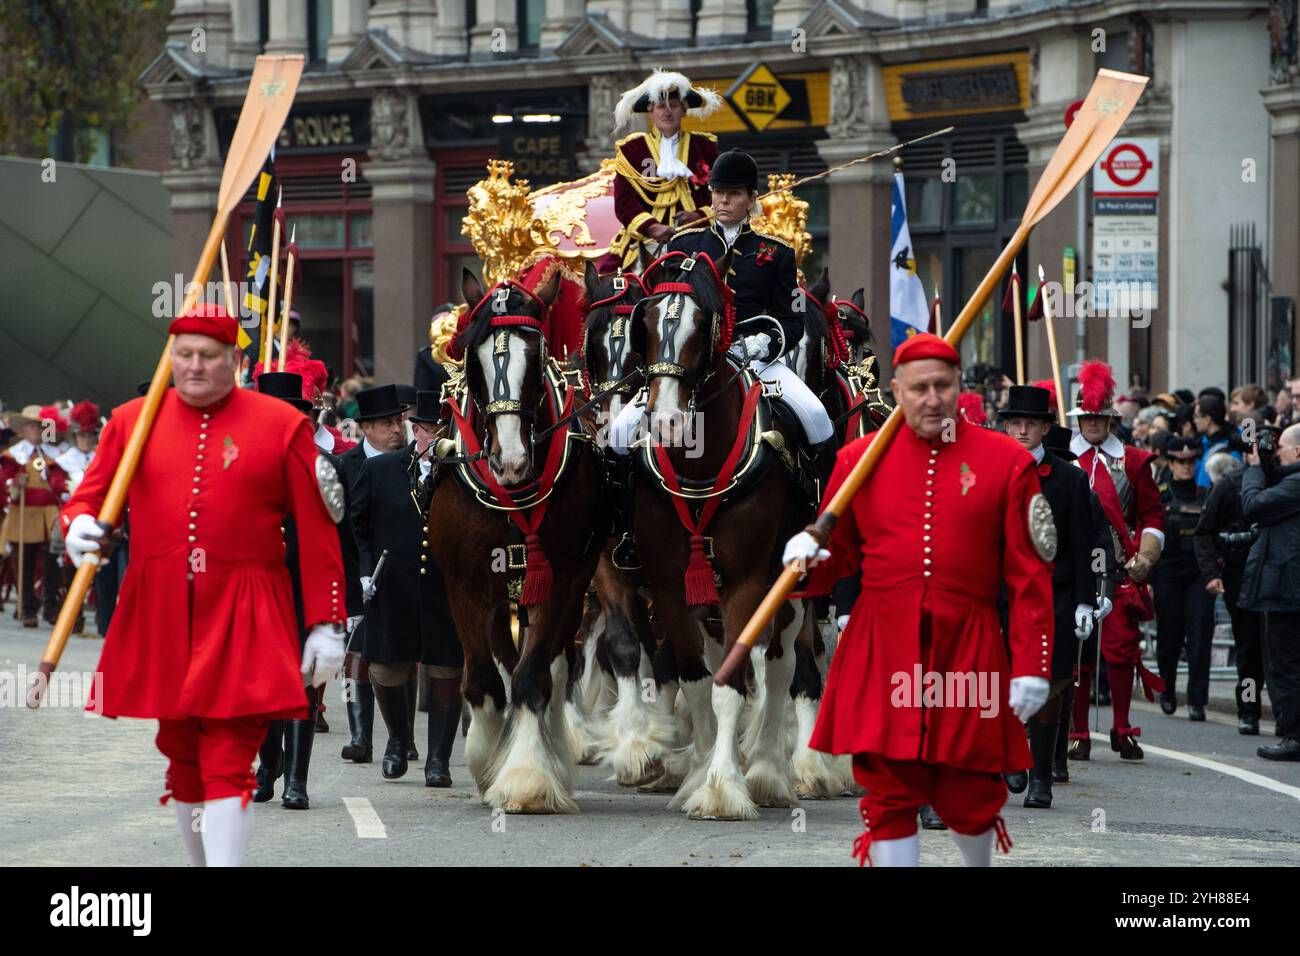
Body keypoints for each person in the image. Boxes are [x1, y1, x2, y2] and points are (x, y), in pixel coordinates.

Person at [61, 303, 346, 866]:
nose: (193, 366)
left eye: (207, 356)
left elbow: (317, 531)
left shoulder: (281, 425)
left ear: (235, 361)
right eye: (183, 355)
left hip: (246, 608)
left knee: (230, 754)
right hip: (161, 608)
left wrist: (327, 623)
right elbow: (87, 498)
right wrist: (79, 526)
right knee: (181, 754)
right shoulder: (131, 420)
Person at [782, 332, 1055, 866]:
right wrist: (805, 558)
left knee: (970, 786)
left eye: (943, 386)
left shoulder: (1006, 462)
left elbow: (1029, 576)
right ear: (897, 391)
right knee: (888, 785)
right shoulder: (858, 460)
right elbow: (839, 562)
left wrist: (1033, 665)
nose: (932, 399)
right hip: (883, 643)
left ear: (960, 389)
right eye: (919, 388)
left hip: (969, 644)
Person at [251, 367, 363, 808]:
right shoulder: (239, 464)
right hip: (255, 590)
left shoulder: (326, 466)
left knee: (301, 685)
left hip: (303, 590)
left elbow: (342, 542)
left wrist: (346, 603)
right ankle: (268, 765)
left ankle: (296, 781)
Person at [350, 391, 463, 786]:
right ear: (416, 430)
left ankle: (438, 761)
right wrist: (366, 574)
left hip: (442, 586)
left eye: (443, 429)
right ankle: (397, 740)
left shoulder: (460, 471)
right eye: (431, 429)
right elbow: (358, 527)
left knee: (447, 669)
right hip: (392, 583)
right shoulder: (382, 469)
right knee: (385, 668)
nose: (438, 436)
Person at [999, 385, 1098, 809]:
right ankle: (1010, 757)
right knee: (999, 682)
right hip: (1000, 595)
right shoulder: (990, 470)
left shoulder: (1070, 478)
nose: (1022, 431)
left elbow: (1085, 543)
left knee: (1047, 686)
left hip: (1052, 596)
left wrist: (1085, 601)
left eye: (1031, 424)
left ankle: (1042, 778)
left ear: (1044, 428)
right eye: (1015, 423)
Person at [1067, 360, 1165, 761]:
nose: (1092, 423)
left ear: (1110, 418)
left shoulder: (1135, 461)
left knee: (1122, 652)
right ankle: (1077, 732)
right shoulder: (1063, 458)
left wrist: (1146, 555)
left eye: (1099, 417)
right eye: (1087, 416)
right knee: (1078, 652)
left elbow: (1153, 516)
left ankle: (1121, 727)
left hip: (1121, 568)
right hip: (1075, 568)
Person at [336, 383, 412, 766]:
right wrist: (355, 582)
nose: (396, 430)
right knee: (355, 655)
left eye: (398, 421)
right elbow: (347, 531)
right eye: (386, 423)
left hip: (401, 575)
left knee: (400, 654)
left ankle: (405, 738)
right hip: (357, 575)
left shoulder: (411, 462)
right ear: (365, 428)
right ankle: (361, 736)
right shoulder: (344, 465)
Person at [602, 69, 722, 272]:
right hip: (644, 237)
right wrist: (651, 227)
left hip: (698, 235)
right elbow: (624, 202)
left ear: (684, 110)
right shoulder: (632, 150)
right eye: (660, 106)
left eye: (673, 106)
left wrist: (698, 216)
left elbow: (720, 193)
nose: (667, 112)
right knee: (605, 282)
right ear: (650, 112)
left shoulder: (705, 146)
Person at [1238, 423, 1300, 761]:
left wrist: (1252, 470)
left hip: (1287, 593)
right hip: (1287, 590)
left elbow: (1254, 505)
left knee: (1285, 665)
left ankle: (1294, 736)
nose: (1276, 452)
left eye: (1282, 447)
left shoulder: (1296, 484)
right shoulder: (1290, 481)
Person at [1194, 451, 1263, 734]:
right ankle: (1249, 711)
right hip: (1242, 577)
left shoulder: (1288, 482)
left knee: (1282, 654)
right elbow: (1204, 531)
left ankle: (1288, 717)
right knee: (1248, 650)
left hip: (1284, 578)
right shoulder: (1230, 484)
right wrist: (1211, 573)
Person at [1151, 436, 1215, 720]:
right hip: (1167, 570)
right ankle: (1166, 690)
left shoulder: (1207, 493)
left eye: (1190, 461)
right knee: (1169, 635)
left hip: (1198, 571)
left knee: (1200, 633)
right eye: (1180, 461)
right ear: (1171, 462)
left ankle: (1197, 699)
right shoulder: (1160, 493)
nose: (1186, 467)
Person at [1, 404, 69, 627]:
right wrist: (15, 485)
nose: (37, 431)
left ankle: (50, 607)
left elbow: (59, 482)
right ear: (23, 430)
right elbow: (5, 481)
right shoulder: (14, 455)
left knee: (52, 561)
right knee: (25, 562)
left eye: (40, 427)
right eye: (32, 427)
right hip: (23, 512)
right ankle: (27, 608)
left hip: (49, 513)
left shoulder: (53, 455)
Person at [1192, 394, 1239, 488]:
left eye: (1196, 416)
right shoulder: (1203, 443)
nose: (1194, 421)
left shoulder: (1232, 447)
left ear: (1207, 419)